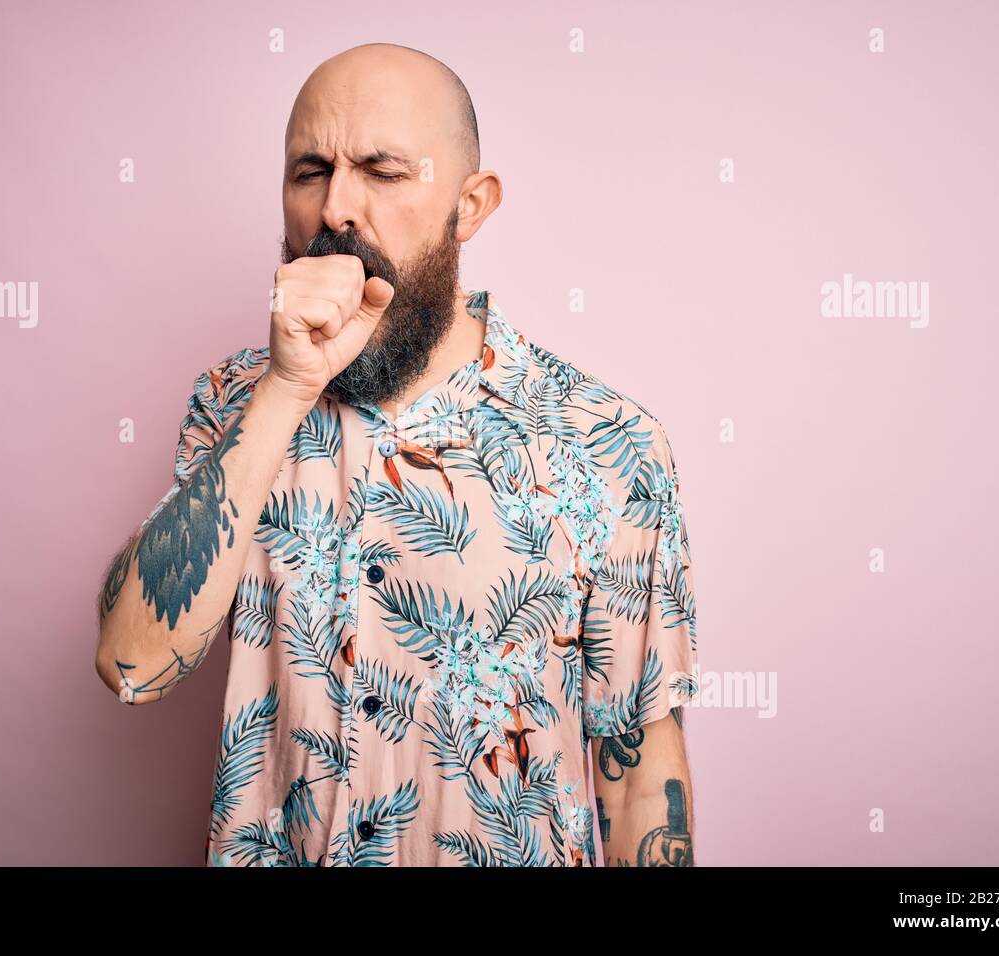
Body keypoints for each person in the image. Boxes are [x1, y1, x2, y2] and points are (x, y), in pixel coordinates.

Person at [95, 41, 699, 867]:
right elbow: (133, 665)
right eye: (310, 172)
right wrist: (286, 387)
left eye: (382, 171)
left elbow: (636, 785)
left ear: (471, 205)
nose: (336, 208)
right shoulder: (234, 403)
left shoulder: (606, 440)